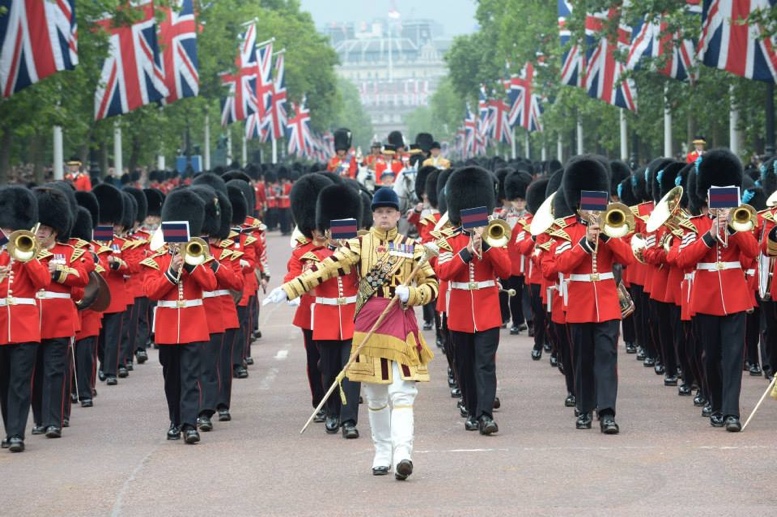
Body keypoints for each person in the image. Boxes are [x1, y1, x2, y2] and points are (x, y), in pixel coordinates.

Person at [266, 187, 438, 481]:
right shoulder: (360, 245)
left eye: (389, 212)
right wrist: (290, 288)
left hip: (400, 323)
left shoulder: (414, 248)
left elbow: (432, 286)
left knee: (402, 392)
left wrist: (413, 294)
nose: (384, 217)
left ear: (398, 215)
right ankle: (382, 452)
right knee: (376, 395)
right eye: (380, 212)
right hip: (370, 325)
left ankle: (403, 454)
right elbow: (326, 268)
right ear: (373, 215)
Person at [675, 149, 757, 432]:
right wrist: (710, 235)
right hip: (707, 297)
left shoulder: (740, 222)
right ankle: (716, 403)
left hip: (734, 296)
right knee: (710, 356)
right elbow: (683, 259)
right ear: (706, 197)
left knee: (733, 357)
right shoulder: (693, 225)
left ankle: (731, 412)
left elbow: (752, 252)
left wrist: (733, 227)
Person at [554, 156, 634, 434]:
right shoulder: (566, 231)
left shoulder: (611, 227)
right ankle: (584, 409)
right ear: (577, 203)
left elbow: (628, 258)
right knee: (583, 359)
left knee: (607, 358)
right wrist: (585, 243)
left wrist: (607, 236)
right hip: (579, 302)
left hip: (607, 302)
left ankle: (607, 412)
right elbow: (561, 265)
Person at [435, 167, 511, 435]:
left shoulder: (495, 237)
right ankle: (471, 409)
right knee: (465, 366)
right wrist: (466, 252)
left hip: (487, 309)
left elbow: (506, 271)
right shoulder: (448, 240)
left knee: (485, 364)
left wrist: (486, 244)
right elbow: (443, 272)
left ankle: (486, 415)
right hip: (459, 311)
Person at [140, 188, 217, 444]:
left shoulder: (197, 255)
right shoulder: (155, 259)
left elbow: (211, 283)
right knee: (172, 377)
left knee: (190, 376)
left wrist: (192, 264)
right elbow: (151, 291)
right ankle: (175, 420)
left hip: (194, 324)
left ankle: (190, 424)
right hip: (167, 325)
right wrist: (172, 272)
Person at [0, 187, 50, 453]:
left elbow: (43, 281)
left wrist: (26, 257)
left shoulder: (32, 251)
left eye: (12, 229)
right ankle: (10, 430)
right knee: (4, 382)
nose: (9, 233)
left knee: (20, 382)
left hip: (25, 326)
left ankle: (17, 434)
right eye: (6, 229)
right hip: (1, 325)